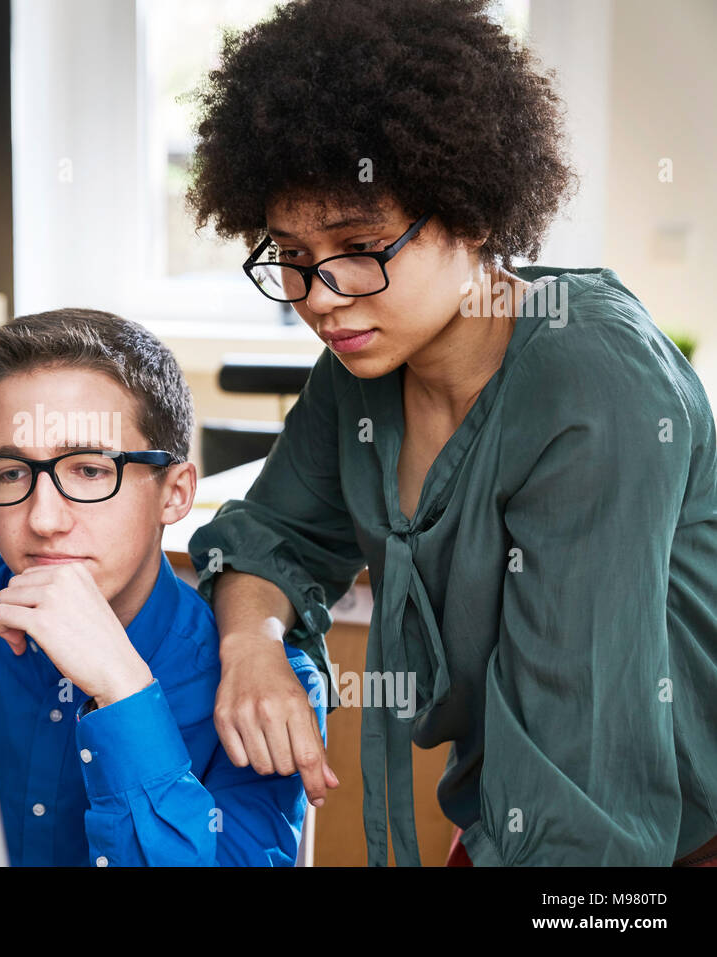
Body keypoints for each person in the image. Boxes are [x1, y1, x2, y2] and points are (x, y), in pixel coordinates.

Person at [184, 0, 717, 865]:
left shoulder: (591, 383)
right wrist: (250, 639)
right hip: (516, 818)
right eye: (289, 254)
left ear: (471, 216)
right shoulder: (359, 373)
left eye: (361, 246)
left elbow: (581, 791)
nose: (319, 295)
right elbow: (268, 535)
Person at [0, 308, 323, 865]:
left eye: (89, 471)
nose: (43, 520)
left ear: (174, 494)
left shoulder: (263, 689)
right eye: (13, 473)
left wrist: (123, 690)